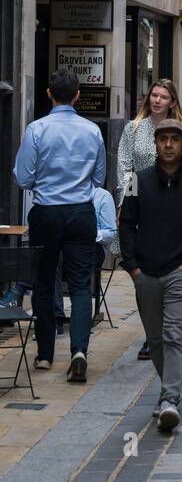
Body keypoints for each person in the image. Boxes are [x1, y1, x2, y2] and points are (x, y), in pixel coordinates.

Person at [120, 119, 182, 431]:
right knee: (157, 339)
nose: (169, 145)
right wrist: (132, 266)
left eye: (176, 139)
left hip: (180, 272)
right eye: (163, 139)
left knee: (175, 335)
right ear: (156, 143)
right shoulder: (137, 179)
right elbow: (126, 223)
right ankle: (166, 395)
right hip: (144, 273)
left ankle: (170, 400)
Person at [13, 69, 105, 381]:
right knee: (80, 284)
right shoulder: (92, 130)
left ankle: (44, 355)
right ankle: (79, 350)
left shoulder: (36, 129)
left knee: (43, 280)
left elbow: (23, 178)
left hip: (47, 212)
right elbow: (98, 178)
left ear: (49, 94)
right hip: (80, 212)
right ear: (78, 95)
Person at [117, 79, 182, 360]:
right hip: (142, 207)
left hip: (172, 205)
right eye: (154, 95)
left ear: (172, 101)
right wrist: (127, 201)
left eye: (163, 96)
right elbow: (126, 167)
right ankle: (151, 333)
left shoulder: (180, 130)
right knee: (143, 276)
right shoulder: (133, 129)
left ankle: (169, 330)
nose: (157, 100)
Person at [91, 186, 117, 324]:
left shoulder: (102, 196)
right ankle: (55, 316)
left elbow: (110, 233)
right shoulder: (66, 191)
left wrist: (88, 234)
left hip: (92, 248)